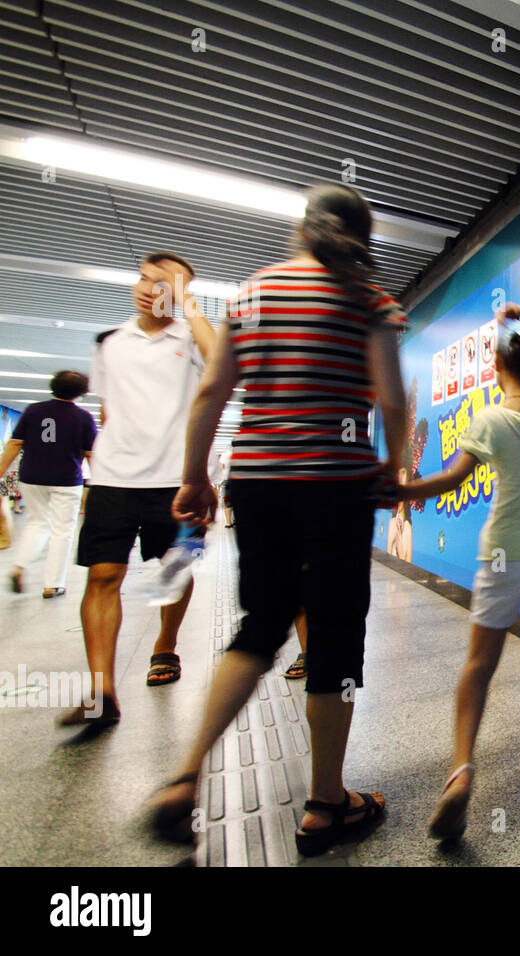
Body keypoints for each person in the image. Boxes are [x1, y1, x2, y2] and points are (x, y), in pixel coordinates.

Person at [151, 183, 409, 858]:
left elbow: (213, 386)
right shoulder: (367, 297)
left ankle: (184, 776)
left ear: (302, 229)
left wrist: (193, 475)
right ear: (363, 235)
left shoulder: (256, 290)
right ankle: (327, 802)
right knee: (335, 639)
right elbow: (391, 396)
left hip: (257, 484)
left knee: (260, 628)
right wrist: (394, 468)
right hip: (336, 484)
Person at [399, 303, 520, 841]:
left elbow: (448, 481)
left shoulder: (490, 421)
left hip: (502, 555)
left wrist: (399, 491)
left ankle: (461, 770)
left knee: (480, 665)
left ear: (497, 368)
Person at [59, 252, 216, 726]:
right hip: (113, 480)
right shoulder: (109, 342)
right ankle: (102, 689)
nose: (151, 288)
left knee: (174, 573)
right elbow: (109, 409)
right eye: (145, 279)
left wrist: (187, 302)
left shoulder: (192, 338)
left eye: (164, 283)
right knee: (103, 576)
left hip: (178, 481)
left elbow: (221, 363)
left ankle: (165, 646)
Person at [0, 372, 97, 597]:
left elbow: (14, 444)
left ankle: (19, 566)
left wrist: (1, 472)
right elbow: (91, 454)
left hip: (31, 477)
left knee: (37, 523)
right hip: (66, 480)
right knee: (62, 530)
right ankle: (52, 583)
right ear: (82, 393)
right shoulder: (83, 417)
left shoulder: (33, 410)